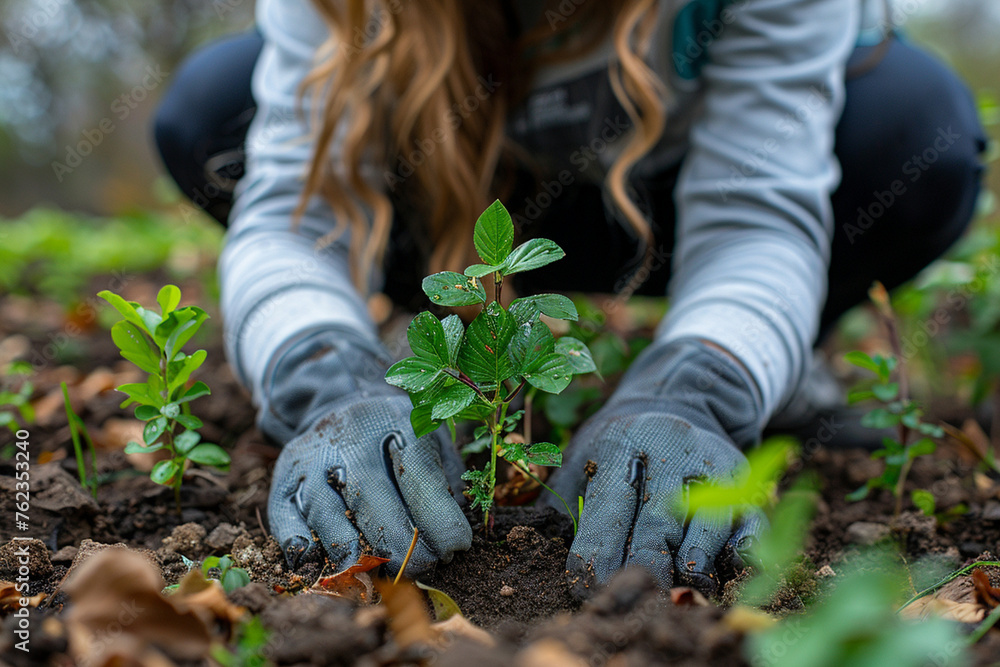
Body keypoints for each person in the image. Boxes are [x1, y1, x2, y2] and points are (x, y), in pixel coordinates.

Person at [154, 0, 986, 593]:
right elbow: (293, 220)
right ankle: (422, 355)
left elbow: (757, 217)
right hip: (451, 188)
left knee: (916, 128)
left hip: (669, 193)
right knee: (211, 110)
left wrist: (704, 384)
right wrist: (320, 372)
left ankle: (767, 353)